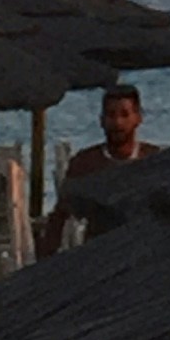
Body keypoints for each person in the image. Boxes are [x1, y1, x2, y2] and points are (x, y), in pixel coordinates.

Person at [38, 83, 144, 254]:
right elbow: (60, 216)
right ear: (101, 120)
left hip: (143, 253)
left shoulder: (152, 158)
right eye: (111, 115)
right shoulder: (86, 163)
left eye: (125, 115)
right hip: (98, 256)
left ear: (138, 118)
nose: (118, 122)